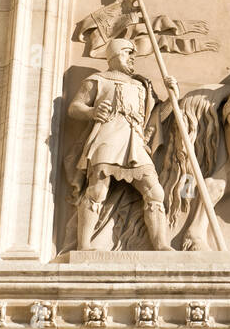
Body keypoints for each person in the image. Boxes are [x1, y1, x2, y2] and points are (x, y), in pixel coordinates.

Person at [68, 37, 174, 250]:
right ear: (115, 54)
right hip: (107, 139)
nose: (133, 58)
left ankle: (162, 245)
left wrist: (173, 96)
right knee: (97, 191)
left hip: (135, 142)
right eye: (128, 52)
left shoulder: (141, 85)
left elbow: (156, 116)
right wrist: (92, 111)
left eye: (133, 53)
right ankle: (84, 245)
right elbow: (74, 107)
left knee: (155, 192)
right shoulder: (97, 80)